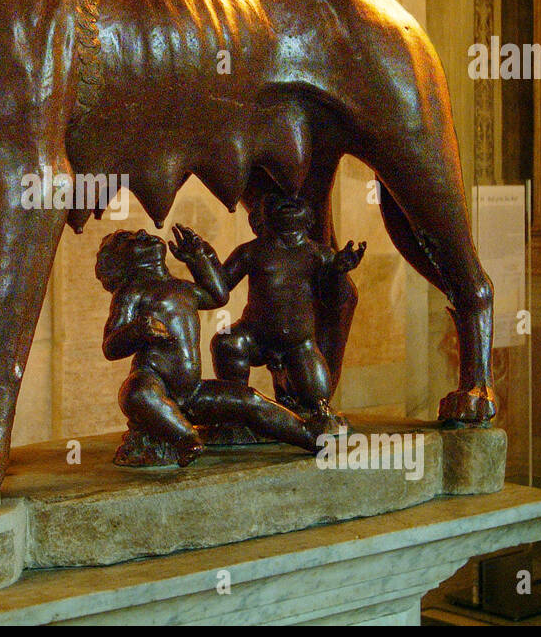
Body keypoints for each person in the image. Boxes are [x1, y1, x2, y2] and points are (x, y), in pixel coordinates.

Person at [96, 225, 319, 467]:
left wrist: (199, 257)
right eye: (125, 240)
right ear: (121, 264)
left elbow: (217, 295)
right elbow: (110, 346)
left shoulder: (183, 288)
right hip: (155, 380)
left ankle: (309, 436)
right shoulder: (131, 293)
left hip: (193, 392)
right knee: (136, 393)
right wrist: (137, 330)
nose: (140, 232)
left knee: (250, 400)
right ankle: (185, 438)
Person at [212, 192, 365, 429]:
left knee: (317, 400)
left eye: (298, 202)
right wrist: (202, 259)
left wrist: (338, 272)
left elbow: (332, 302)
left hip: (299, 343)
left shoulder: (320, 254)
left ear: (310, 218)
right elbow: (219, 288)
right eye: (278, 201)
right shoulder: (251, 252)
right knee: (226, 343)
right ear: (263, 216)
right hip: (254, 336)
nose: (289, 204)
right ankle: (236, 414)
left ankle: (313, 409)